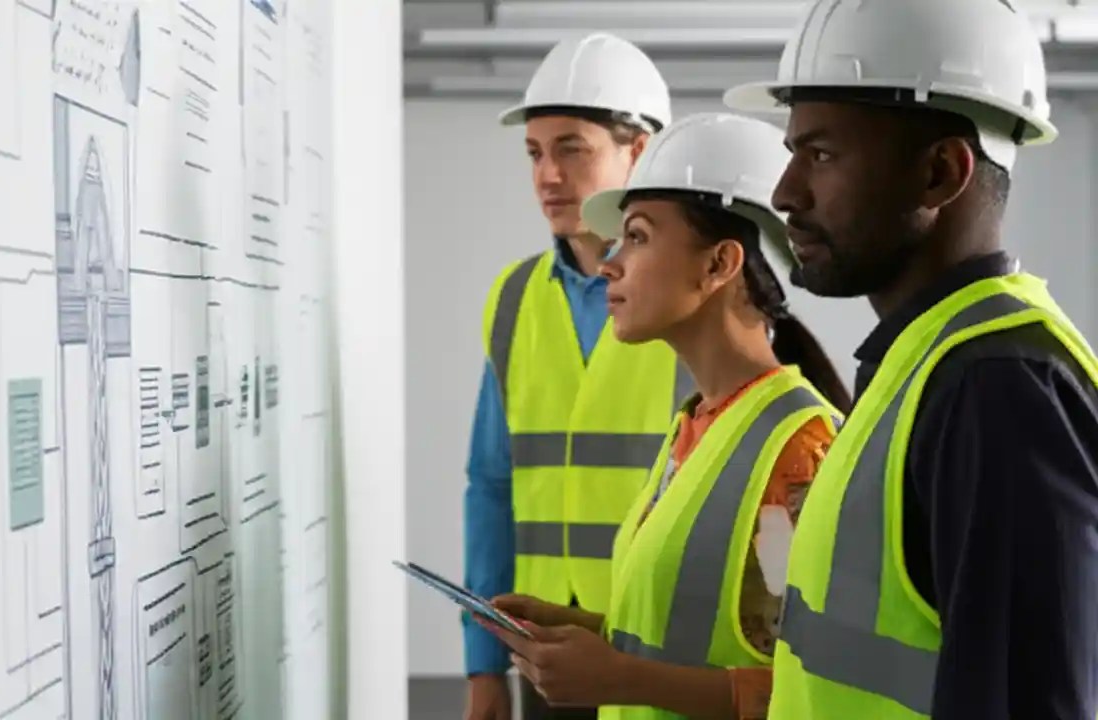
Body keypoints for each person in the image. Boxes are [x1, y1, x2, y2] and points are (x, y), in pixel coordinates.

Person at [718, 0, 1098, 717]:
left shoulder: (996, 386)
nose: (784, 192)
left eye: (820, 154)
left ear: (941, 173)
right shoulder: (920, 363)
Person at [480, 112, 851, 720]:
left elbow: (809, 690)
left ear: (718, 265)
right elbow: (697, 634)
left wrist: (622, 678)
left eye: (640, 237)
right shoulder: (699, 425)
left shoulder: (796, 449)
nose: (610, 264)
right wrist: (586, 631)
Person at [463, 33, 695, 720]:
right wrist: (483, 664)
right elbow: (491, 485)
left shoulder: (696, 295)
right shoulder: (513, 299)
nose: (547, 176)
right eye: (535, 152)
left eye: (572, 148)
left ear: (640, 150)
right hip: (542, 649)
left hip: (661, 646)